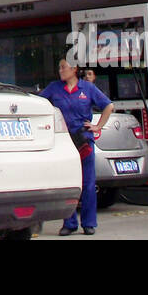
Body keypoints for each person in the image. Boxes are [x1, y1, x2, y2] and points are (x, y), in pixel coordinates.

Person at [42, 59, 113, 235]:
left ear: (74, 69)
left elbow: (108, 106)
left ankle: (89, 223)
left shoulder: (87, 88)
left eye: (63, 67)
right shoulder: (54, 88)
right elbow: (39, 102)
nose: (60, 71)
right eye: (59, 67)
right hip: (63, 142)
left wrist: (97, 126)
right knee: (67, 182)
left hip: (83, 141)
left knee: (88, 183)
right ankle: (69, 223)